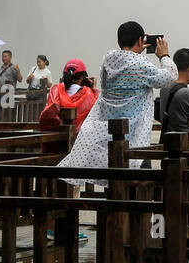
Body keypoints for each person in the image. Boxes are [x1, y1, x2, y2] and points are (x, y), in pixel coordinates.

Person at [58, 22, 177, 188]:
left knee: (114, 186)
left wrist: (136, 50)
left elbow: (105, 86)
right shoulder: (142, 65)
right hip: (135, 137)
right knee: (138, 189)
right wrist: (164, 56)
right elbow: (169, 77)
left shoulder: (108, 60)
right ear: (140, 41)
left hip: (108, 135)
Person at [39, 59, 99, 144]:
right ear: (82, 78)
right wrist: (94, 89)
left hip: (54, 143)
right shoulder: (88, 94)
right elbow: (97, 110)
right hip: (78, 144)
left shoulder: (55, 89)